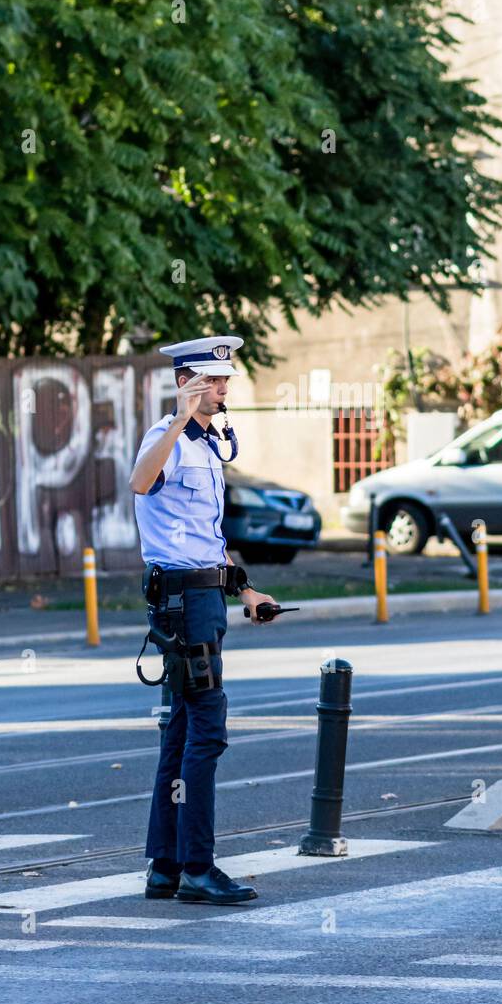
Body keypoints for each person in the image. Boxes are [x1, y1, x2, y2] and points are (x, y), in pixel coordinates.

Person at [130, 335, 279, 906]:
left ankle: (165, 867)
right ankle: (198, 866)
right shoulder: (165, 440)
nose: (220, 390)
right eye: (209, 381)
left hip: (203, 599)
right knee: (207, 731)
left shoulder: (207, 445)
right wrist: (177, 419)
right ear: (183, 382)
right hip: (183, 605)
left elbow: (204, 538)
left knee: (181, 730)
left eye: (223, 382)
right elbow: (141, 482)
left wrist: (244, 590)